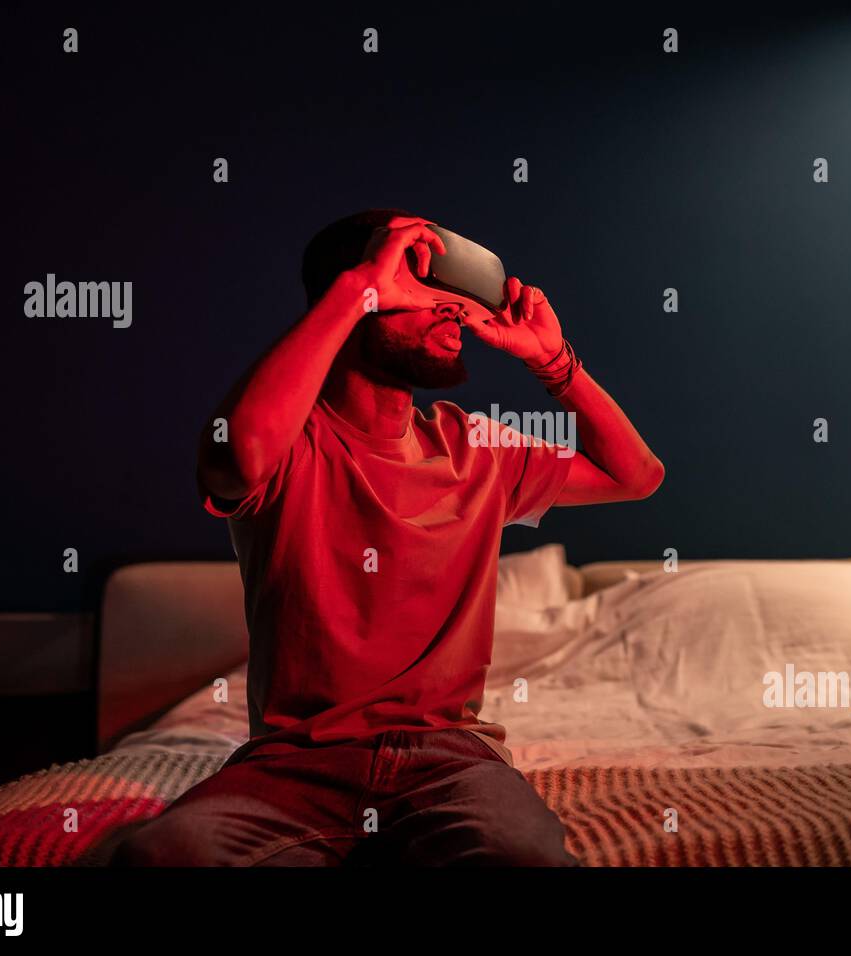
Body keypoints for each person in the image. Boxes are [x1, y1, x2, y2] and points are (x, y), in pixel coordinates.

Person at [109, 209, 663, 866]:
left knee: (522, 858)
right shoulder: (293, 439)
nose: (454, 314)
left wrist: (554, 363)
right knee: (167, 855)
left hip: (451, 759)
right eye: (424, 291)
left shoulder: (475, 447)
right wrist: (357, 292)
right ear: (359, 291)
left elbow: (635, 475)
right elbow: (238, 455)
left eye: (458, 301)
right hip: (294, 765)